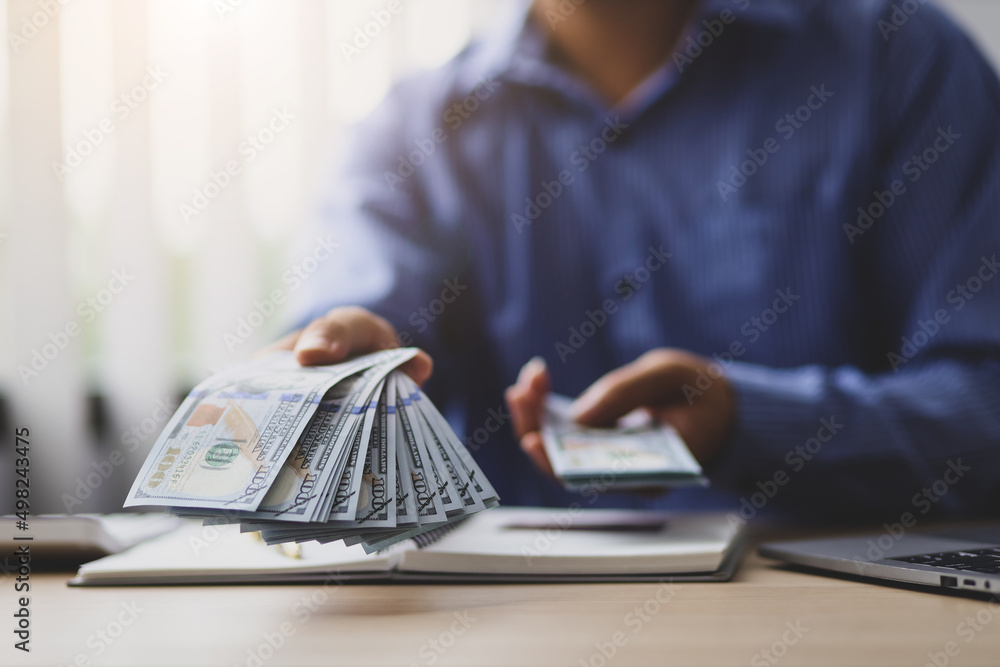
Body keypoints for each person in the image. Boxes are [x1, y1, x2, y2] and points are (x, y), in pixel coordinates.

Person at [268, 0, 1000, 520]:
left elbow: (986, 406)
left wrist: (750, 423)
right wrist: (344, 366)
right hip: (504, 628)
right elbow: (350, 324)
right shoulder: (411, 133)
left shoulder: (901, 59)